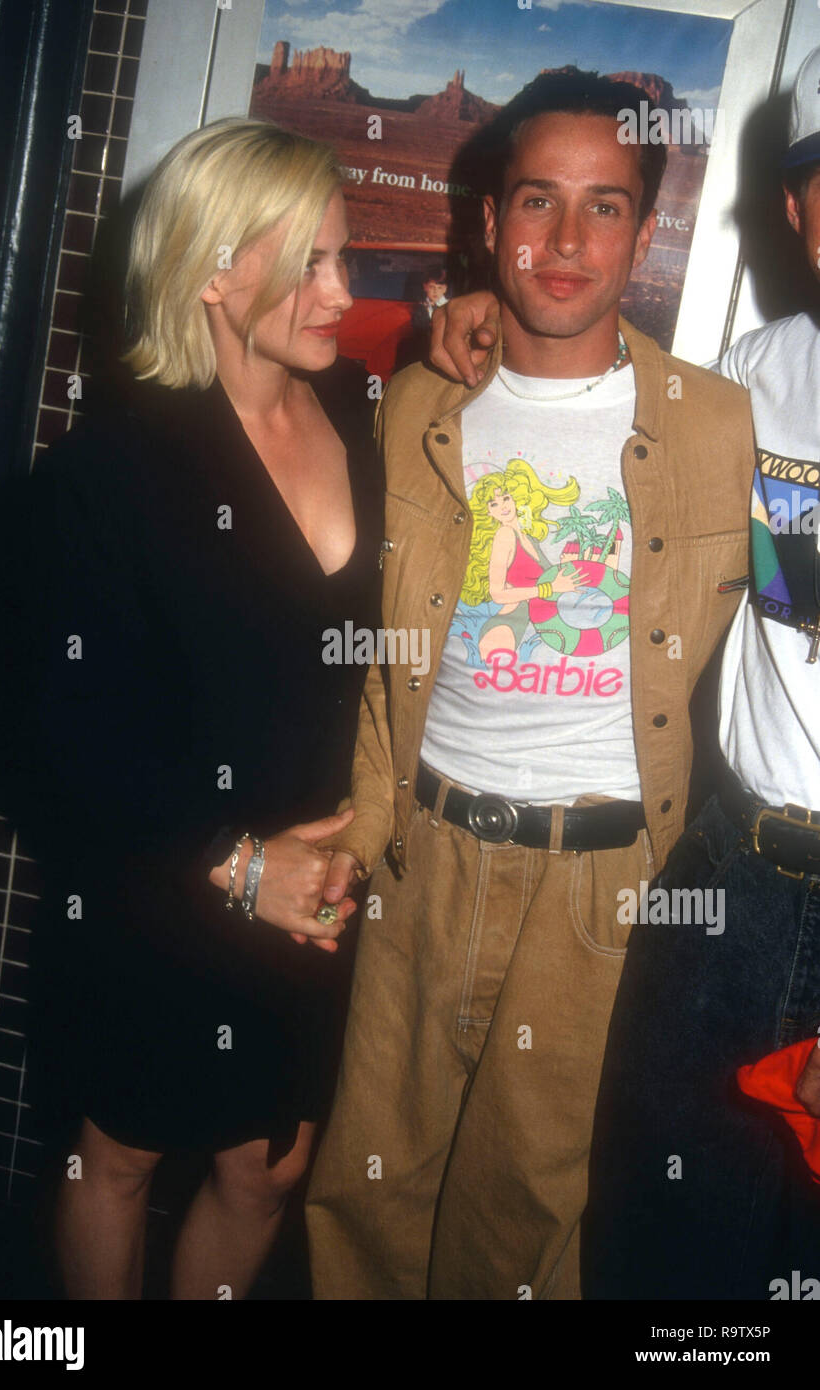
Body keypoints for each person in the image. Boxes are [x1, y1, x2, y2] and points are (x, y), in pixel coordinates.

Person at [304, 69, 755, 1299]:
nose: (564, 243)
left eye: (602, 207)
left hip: (601, 890)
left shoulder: (724, 428)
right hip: (422, 856)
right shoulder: (416, 406)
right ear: (489, 221)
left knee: (525, 1227)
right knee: (364, 1194)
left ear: (644, 232)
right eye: (535, 204)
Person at [0, 118, 382, 1300]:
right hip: (163, 873)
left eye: (346, 258)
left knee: (269, 1165)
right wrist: (234, 864)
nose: (342, 292)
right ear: (213, 271)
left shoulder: (358, 407)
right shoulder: (105, 474)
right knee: (120, 1152)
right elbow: (56, 734)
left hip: (318, 877)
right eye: (309, 262)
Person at [579, 46, 820, 1300]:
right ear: (792, 206)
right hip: (727, 873)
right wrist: (480, 326)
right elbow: (587, 432)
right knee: (664, 1237)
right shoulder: (743, 373)